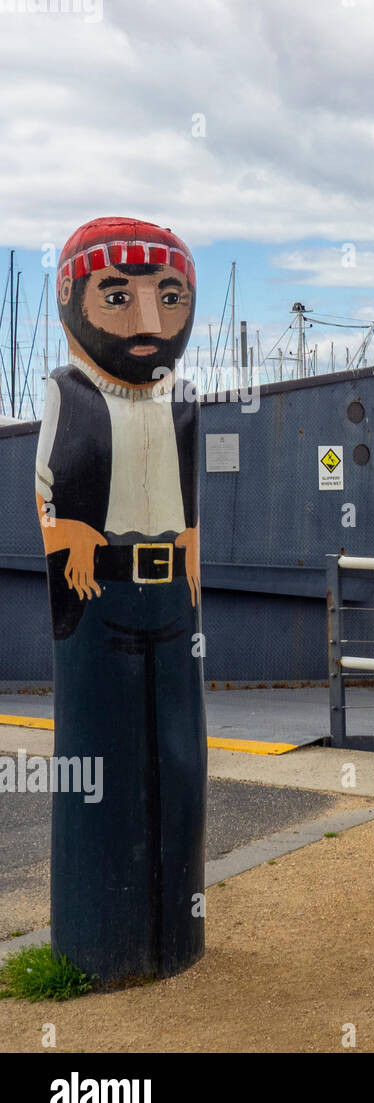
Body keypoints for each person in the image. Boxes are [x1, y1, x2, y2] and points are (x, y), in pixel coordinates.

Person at [35, 217, 206, 982]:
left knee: (180, 757)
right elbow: (49, 492)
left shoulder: (185, 402)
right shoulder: (69, 393)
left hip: (175, 593)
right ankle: (100, 938)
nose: (148, 322)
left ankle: (174, 933)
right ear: (72, 299)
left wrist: (193, 556)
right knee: (101, 757)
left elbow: (192, 500)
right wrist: (66, 538)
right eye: (118, 296)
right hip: (97, 590)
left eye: (169, 298)